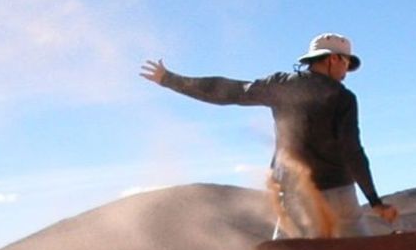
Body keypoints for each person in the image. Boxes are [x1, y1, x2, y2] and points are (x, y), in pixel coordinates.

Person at [140, 33, 399, 239]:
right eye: (345, 62)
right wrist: (374, 200)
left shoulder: (281, 86)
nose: (346, 71)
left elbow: (229, 91)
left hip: (296, 192)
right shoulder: (343, 98)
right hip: (338, 191)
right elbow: (352, 150)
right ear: (332, 59)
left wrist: (170, 79)